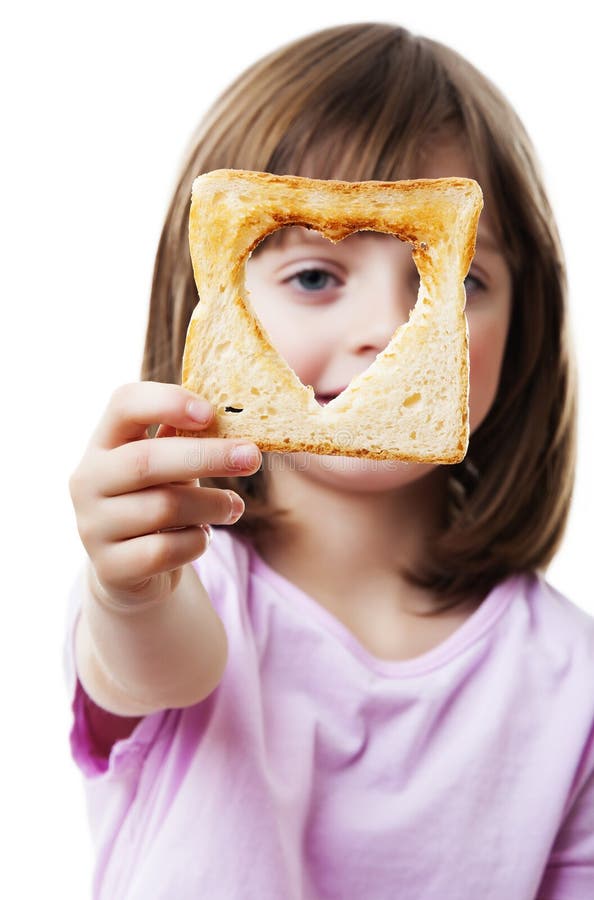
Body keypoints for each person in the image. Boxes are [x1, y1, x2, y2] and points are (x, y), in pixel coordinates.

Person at [66, 22, 594, 900]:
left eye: (456, 282)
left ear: (527, 322)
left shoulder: (572, 680)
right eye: (316, 275)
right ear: (213, 306)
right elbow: (161, 661)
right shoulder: (186, 586)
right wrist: (126, 591)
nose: (386, 330)